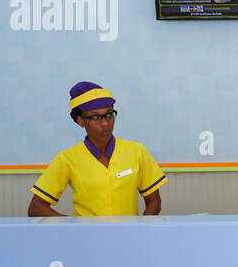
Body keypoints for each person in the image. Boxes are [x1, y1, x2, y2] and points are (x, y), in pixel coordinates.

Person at [28, 82, 167, 217]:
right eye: (95, 117)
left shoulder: (137, 151)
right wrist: (74, 226)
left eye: (109, 114)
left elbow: (154, 201)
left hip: (128, 236)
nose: (105, 123)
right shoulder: (67, 159)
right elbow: (36, 208)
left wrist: (141, 229)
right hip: (88, 238)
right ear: (80, 120)